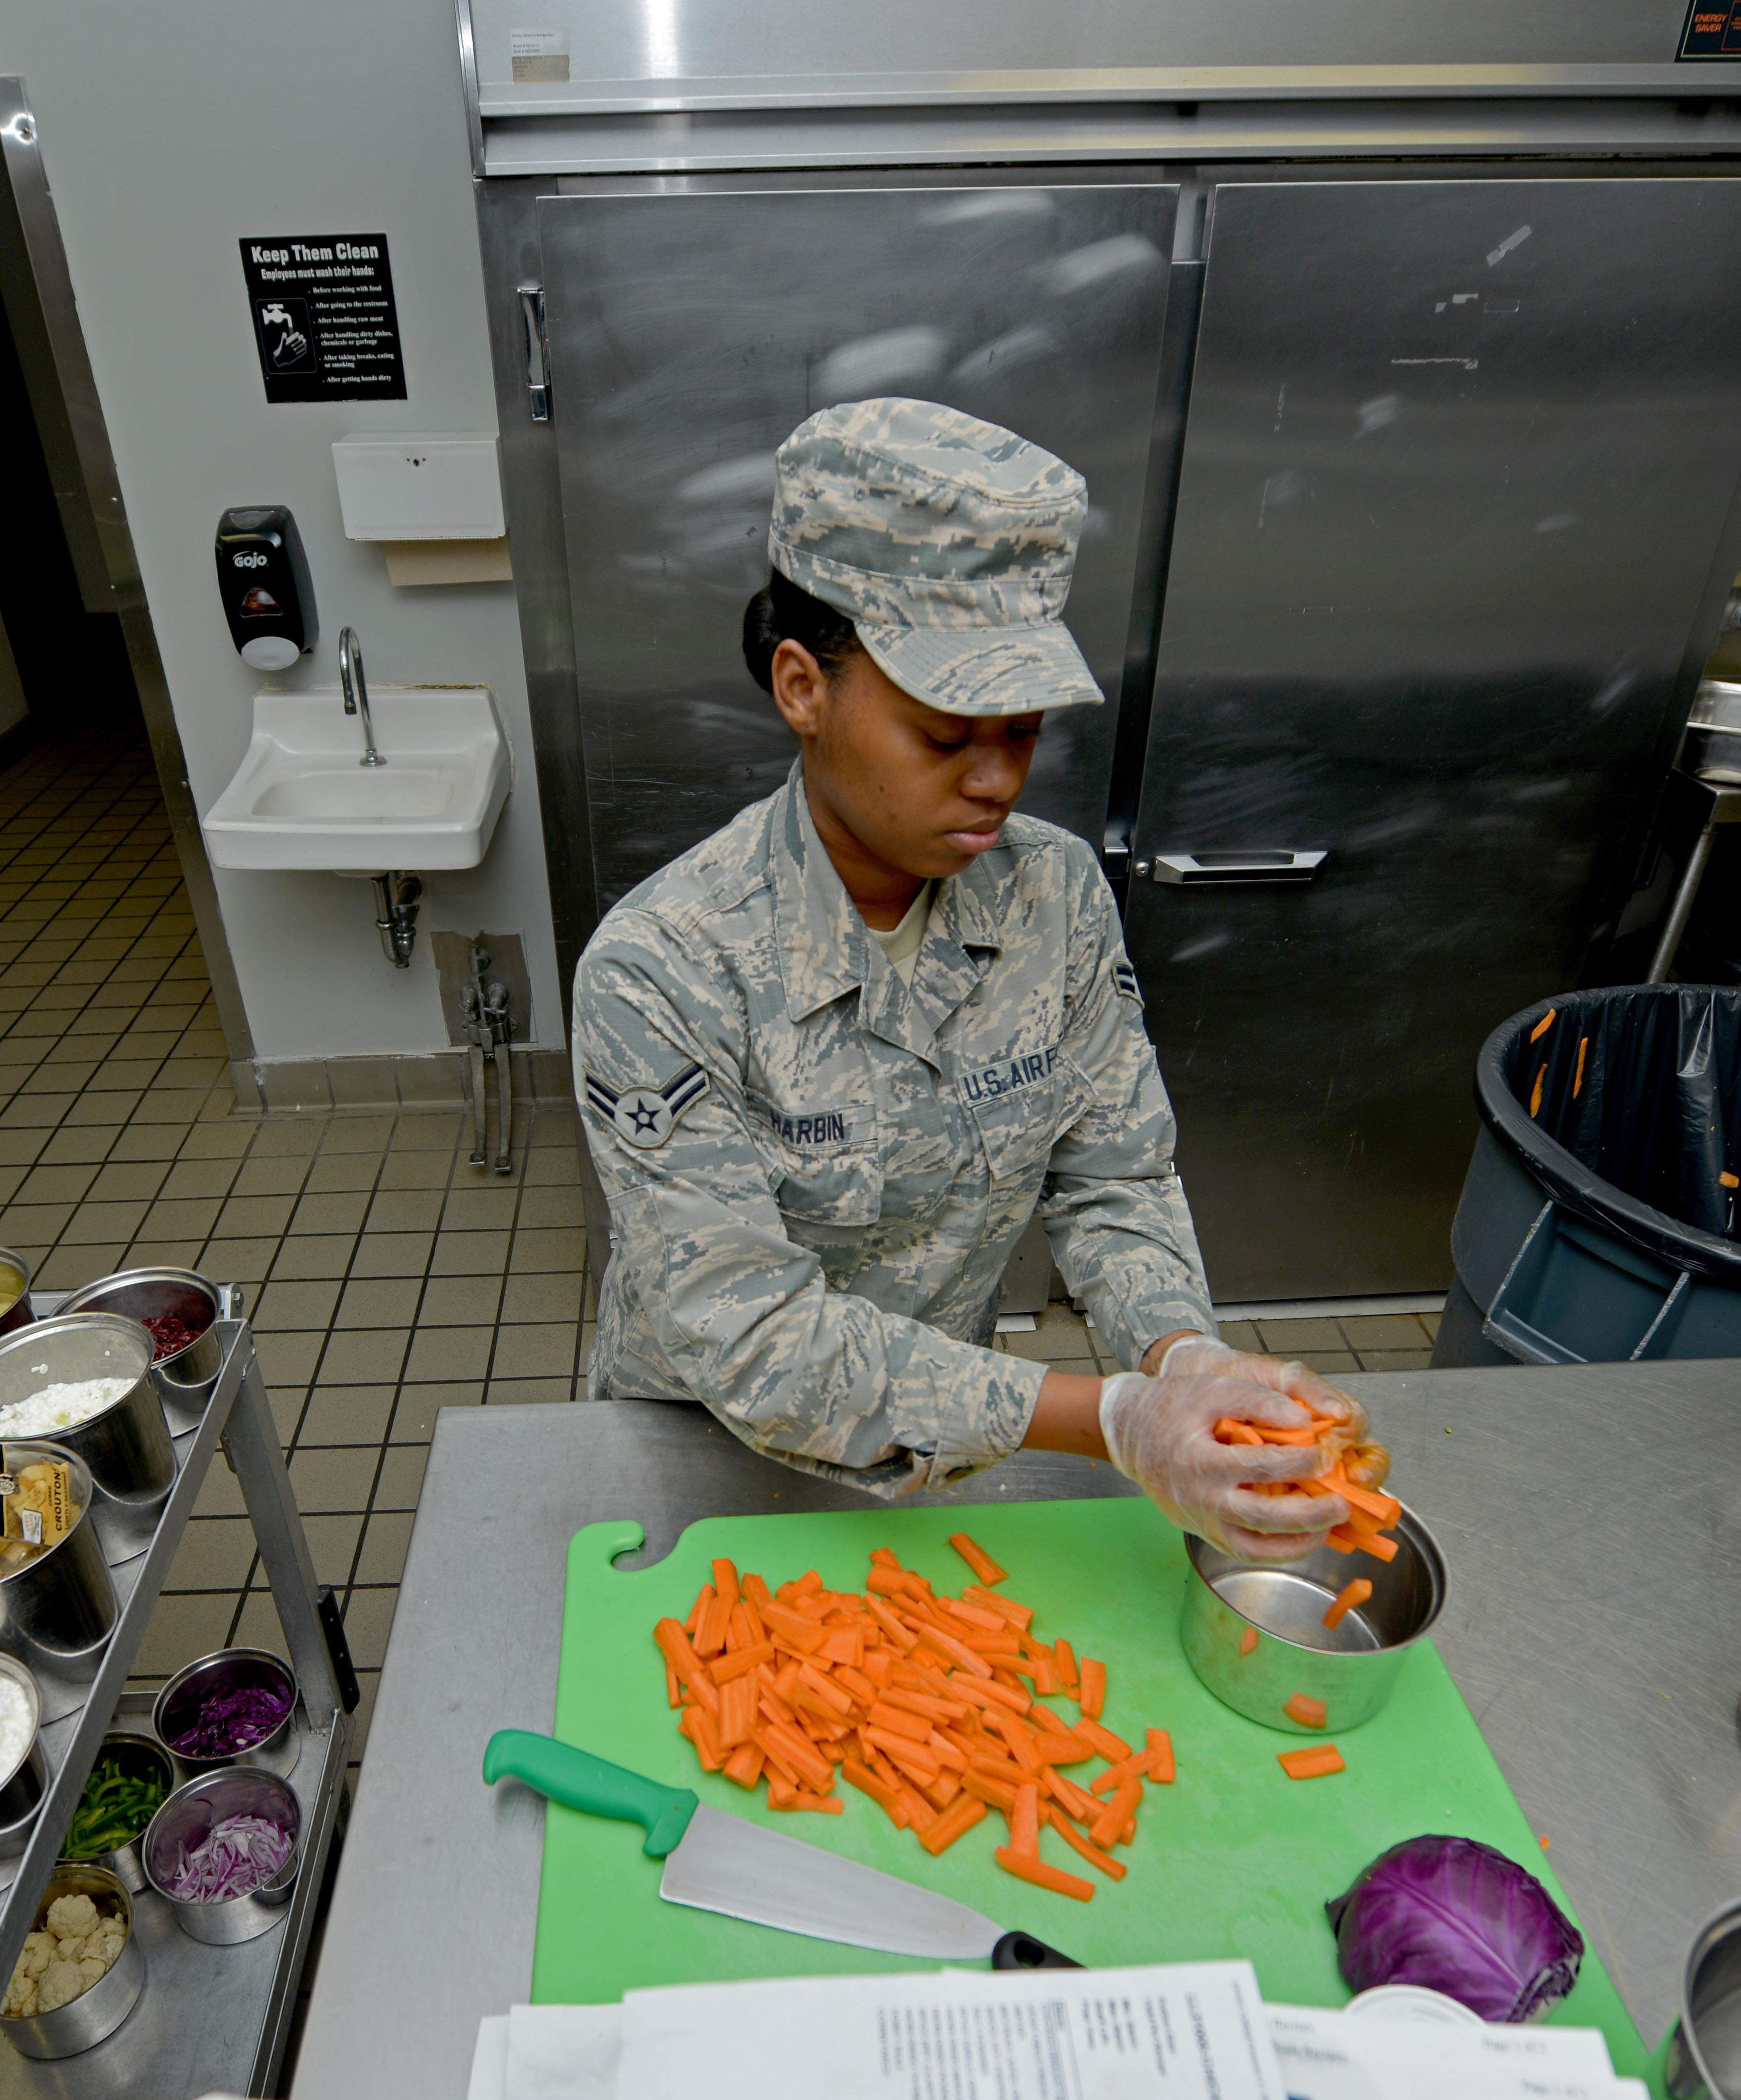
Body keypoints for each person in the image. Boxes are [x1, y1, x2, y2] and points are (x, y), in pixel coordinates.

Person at [572, 399, 1369, 1560]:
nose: (996, 780)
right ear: (802, 686)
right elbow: (753, 1337)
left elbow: (1114, 1177)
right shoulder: (664, 967)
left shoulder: (1055, 897)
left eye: (1025, 728)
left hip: (945, 1455)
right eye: (947, 734)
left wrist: (1182, 1361)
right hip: (707, 1466)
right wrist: (1109, 1417)